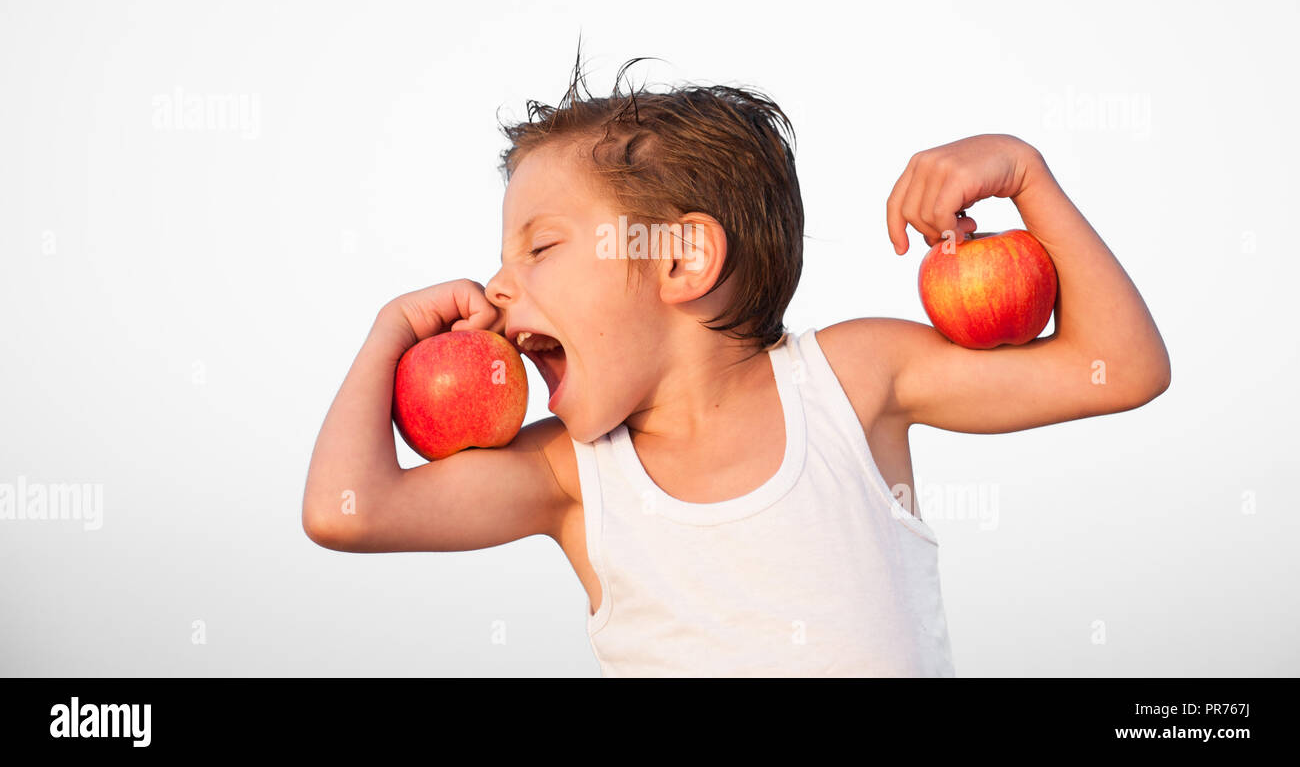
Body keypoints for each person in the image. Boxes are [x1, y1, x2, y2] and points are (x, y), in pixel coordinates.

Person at [302, 49, 1171, 677]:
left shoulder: (853, 381)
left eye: (541, 248)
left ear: (681, 260)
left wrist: (1027, 176)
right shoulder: (571, 475)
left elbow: (1120, 366)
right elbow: (350, 511)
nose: (497, 285)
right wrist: (390, 334)